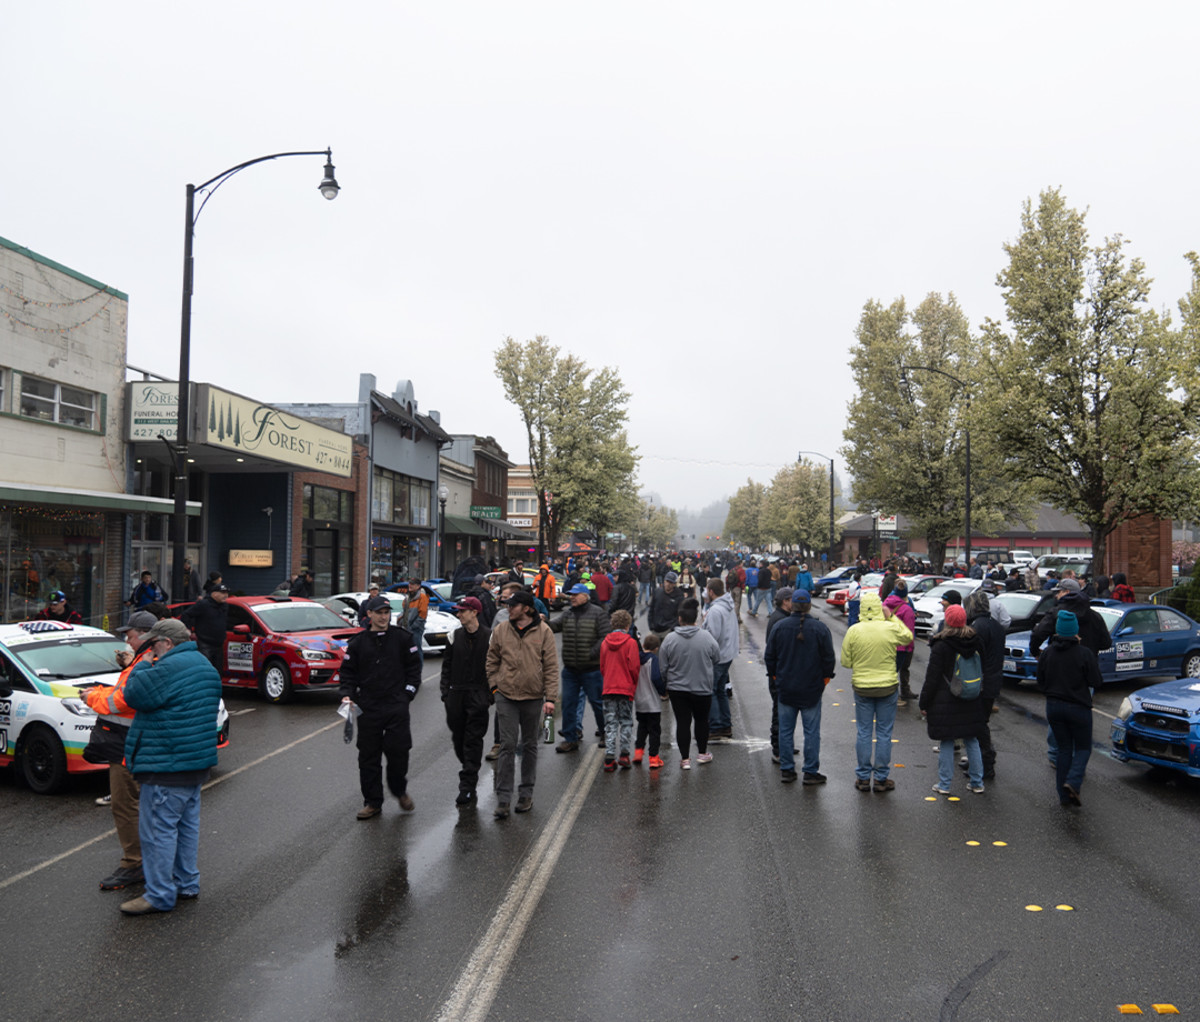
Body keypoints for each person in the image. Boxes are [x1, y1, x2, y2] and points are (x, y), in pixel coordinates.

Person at [116, 618, 221, 915]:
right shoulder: (204, 665)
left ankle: (159, 894)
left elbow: (134, 694)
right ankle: (186, 883)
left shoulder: (168, 667)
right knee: (186, 827)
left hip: (166, 765)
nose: (151, 650)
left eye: (154, 644)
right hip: (194, 764)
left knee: (157, 832)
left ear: (168, 643)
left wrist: (139, 664)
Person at [84, 610, 158, 891]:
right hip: (136, 743)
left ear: (144, 636)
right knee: (142, 805)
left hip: (128, 745)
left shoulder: (146, 663)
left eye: (131, 635)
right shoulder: (146, 660)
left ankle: (134, 864)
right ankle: (146, 861)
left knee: (125, 805)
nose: (127, 641)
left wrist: (91, 695)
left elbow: (121, 701)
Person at [338, 595, 422, 820]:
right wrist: (347, 694)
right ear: (369, 615)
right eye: (379, 613)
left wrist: (407, 695)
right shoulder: (358, 643)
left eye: (387, 613)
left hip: (396, 706)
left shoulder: (402, 638)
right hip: (369, 707)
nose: (384, 617)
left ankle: (399, 791)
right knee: (368, 757)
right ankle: (372, 802)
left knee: (398, 752)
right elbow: (347, 673)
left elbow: (414, 670)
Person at [485, 591, 558, 818]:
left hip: (533, 697)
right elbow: (491, 660)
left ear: (526, 608)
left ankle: (526, 794)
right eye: (508, 605)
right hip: (506, 696)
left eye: (513, 605)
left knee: (529, 746)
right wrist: (495, 688)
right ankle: (504, 798)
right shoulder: (501, 630)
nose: (508, 608)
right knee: (507, 745)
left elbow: (551, 667)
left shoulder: (544, 632)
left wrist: (551, 699)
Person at [840, 591, 913, 792]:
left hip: (862, 686)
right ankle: (881, 778)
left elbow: (846, 662)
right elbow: (907, 637)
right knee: (884, 732)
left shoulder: (854, 631)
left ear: (862, 609)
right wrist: (891, 617)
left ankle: (863, 777)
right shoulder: (890, 628)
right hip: (887, 686)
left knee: (863, 731)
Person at [764, 589, 835, 784]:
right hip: (811, 688)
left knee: (786, 730)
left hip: (786, 686)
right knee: (811, 732)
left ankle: (787, 769)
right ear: (809, 606)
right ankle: (810, 771)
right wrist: (824, 679)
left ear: (792, 605)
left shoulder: (780, 627)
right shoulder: (820, 629)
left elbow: (770, 657)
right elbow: (829, 659)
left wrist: (776, 677)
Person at [920, 604, 988, 795]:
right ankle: (977, 782)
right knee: (972, 739)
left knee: (947, 741)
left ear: (948, 621)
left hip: (946, 699)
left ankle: (944, 784)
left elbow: (932, 678)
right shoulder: (976, 641)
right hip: (972, 696)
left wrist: (924, 702)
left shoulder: (941, 645)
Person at [1037, 610, 1101, 806]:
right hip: (1078, 707)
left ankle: (1064, 796)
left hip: (1054, 707)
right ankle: (1073, 782)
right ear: (1075, 631)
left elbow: (1040, 681)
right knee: (1083, 748)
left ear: (1058, 630)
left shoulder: (1047, 653)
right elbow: (1096, 681)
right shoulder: (1084, 654)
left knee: (1063, 749)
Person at [440, 596, 492, 807]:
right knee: (459, 739)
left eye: (462, 611)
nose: (459, 614)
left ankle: (467, 786)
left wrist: (489, 695)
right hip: (456, 695)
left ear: (474, 612)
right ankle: (469, 766)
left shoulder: (490, 637)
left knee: (473, 740)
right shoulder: (454, 636)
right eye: (458, 610)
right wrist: (446, 693)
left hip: (478, 695)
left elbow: (495, 667)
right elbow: (446, 666)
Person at [549, 583, 612, 753]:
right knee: (568, 704)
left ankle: (606, 733)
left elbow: (605, 636)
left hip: (591, 669)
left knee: (598, 703)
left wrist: (591, 653)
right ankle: (570, 738)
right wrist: (540, 620)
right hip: (570, 670)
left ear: (585, 596)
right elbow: (553, 626)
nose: (572, 597)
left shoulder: (597, 613)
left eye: (575, 595)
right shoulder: (567, 614)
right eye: (571, 594)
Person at [659, 598, 721, 770]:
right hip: (702, 687)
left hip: (677, 689)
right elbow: (717, 657)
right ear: (696, 619)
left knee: (683, 722)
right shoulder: (706, 637)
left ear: (680, 619)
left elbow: (663, 667)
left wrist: (665, 683)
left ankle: (685, 759)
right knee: (701, 720)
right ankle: (702, 753)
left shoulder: (670, 639)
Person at [599, 609, 641, 770]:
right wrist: (633, 684)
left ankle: (609, 757)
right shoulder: (631, 643)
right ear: (627, 625)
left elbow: (602, 667)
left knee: (610, 722)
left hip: (609, 687)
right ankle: (624, 754)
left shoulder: (605, 643)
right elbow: (634, 667)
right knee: (626, 721)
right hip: (625, 688)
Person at [702, 577, 739, 739]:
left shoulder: (716, 610)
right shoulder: (727, 606)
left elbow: (712, 636)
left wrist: (702, 631)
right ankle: (725, 725)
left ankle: (716, 726)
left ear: (711, 592)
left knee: (711, 691)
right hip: (727, 654)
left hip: (718, 656)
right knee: (721, 690)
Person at [764, 587, 794, 761]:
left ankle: (785, 744)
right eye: (792, 600)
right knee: (780, 712)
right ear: (785, 601)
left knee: (784, 712)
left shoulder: (779, 617)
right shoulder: (780, 620)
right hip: (779, 673)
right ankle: (778, 748)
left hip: (779, 672)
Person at [633, 633, 666, 768]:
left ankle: (638, 752)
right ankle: (653, 757)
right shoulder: (653, 660)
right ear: (656, 649)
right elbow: (656, 677)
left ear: (643, 645)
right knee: (654, 731)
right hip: (652, 703)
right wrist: (663, 691)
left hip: (639, 701)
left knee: (642, 727)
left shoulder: (636, 658)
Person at [180, 583, 229, 671]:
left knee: (218, 670)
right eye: (223, 593)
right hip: (205, 643)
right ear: (214, 594)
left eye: (226, 593)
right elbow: (186, 615)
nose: (225, 595)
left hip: (219, 644)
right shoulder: (204, 604)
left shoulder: (224, 606)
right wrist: (189, 630)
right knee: (205, 668)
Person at [883, 579, 917, 706]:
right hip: (902, 647)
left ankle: (890, 694)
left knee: (890, 671)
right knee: (900, 669)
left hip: (887, 643)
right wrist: (910, 646)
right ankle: (894, 696)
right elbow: (909, 632)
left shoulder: (885, 604)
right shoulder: (907, 609)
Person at [648, 571, 684, 639]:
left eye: (671, 582)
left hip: (668, 631)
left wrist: (672, 628)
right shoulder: (657, 592)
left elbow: (680, 615)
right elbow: (651, 609)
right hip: (655, 629)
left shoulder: (679, 596)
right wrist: (651, 625)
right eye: (667, 581)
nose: (668, 584)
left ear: (674, 584)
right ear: (664, 581)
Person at [405, 579, 430, 667]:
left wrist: (413, 626)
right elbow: (404, 611)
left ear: (418, 586)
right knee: (409, 650)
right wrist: (400, 620)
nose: (410, 585)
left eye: (413, 584)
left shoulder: (422, 597)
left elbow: (422, 615)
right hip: (407, 628)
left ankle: (418, 670)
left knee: (416, 650)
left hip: (415, 629)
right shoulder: (408, 597)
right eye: (409, 583)